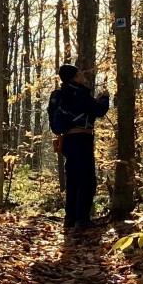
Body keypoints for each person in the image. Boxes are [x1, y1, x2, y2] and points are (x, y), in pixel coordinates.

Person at [54, 64, 109, 230]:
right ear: (74, 78)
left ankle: (69, 218)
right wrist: (105, 98)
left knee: (72, 180)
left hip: (67, 141)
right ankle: (82, 220)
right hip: (81, 140)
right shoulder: (79, 93)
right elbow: (98, 110)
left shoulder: (62, 94)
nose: (83, 77)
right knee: (87, 180)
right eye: (80, 75)